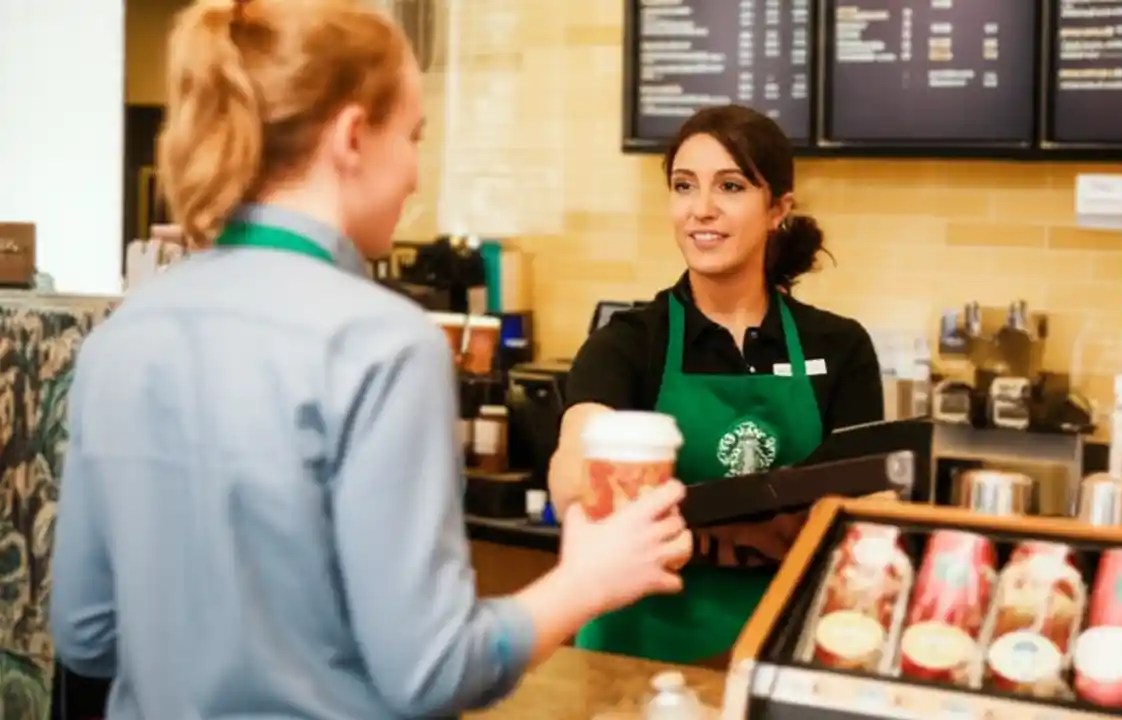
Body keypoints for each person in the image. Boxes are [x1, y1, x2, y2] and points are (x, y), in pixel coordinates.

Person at [49, 1, 691, 718]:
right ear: (352, 136)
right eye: (413, 136)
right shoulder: (382, 344)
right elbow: (435, 671)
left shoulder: (120, 338)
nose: (418, 175)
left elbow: (86, 636)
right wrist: (587, 580)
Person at [548, 104, 885, 666]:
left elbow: (872, 507)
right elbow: (573, 479)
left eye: (730, 186)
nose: (701, 210)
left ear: (778, 208)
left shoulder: (840, 346)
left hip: (785, 658)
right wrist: (748, 535)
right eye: (684, 186)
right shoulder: (629, 342)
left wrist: (685, 527)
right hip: (634, 658)